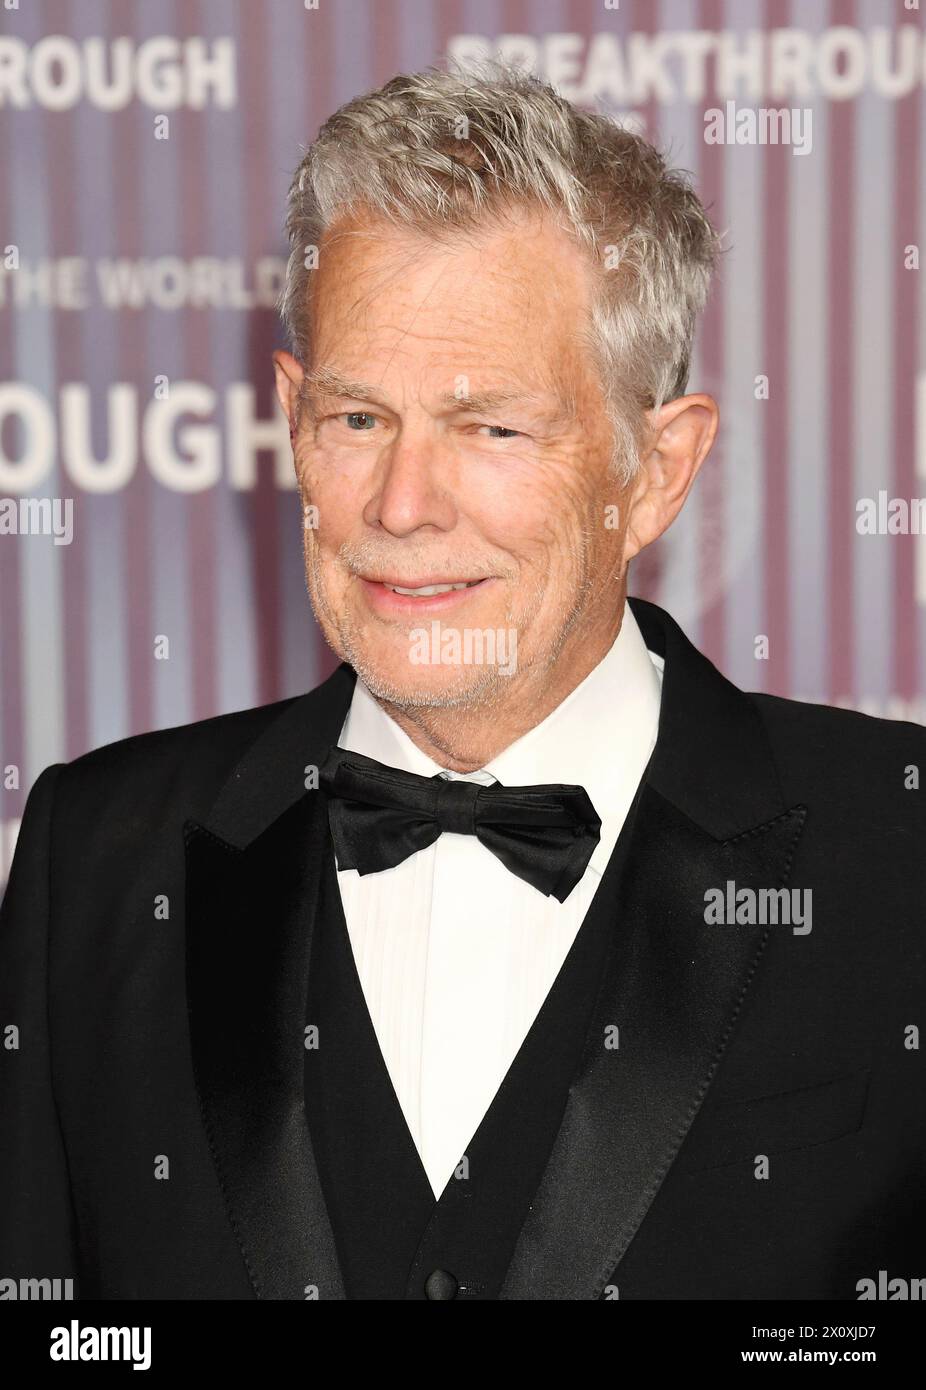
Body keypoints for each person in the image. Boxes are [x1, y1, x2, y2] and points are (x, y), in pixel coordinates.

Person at [1, 65, 923, 1301]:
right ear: (290, 419)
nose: (400, 505)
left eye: (489, 426)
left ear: (653, 470)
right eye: (357, 418)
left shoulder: (898, 852)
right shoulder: (97, 859)